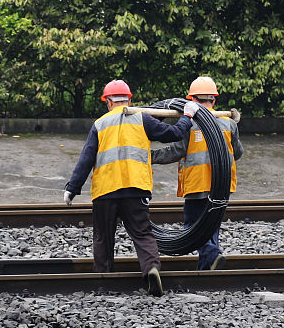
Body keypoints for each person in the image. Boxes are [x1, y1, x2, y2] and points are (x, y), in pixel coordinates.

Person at [63, 79, 200, 295]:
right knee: (143, 233)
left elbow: (86, 159)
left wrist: (72, 187)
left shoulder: (100, 124)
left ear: (108, 101)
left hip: (105, 192)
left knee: (103, 237)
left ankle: (103, 279)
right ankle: (151, 269)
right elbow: (173, 134)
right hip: (136, 188)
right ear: (129, 99)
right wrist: (188, 116)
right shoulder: (143, 119)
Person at [151, 76, 243, 270]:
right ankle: (207, 266)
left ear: (191, 100)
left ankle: (212, 254)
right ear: (214, 100)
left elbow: (176, 151)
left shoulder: (190, 123)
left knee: (193, 227)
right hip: (222, 185)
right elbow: (238, 153)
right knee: (211, 225)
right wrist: (234, 126)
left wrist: (149, 156)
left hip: (197, 182)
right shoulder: (228, 123)